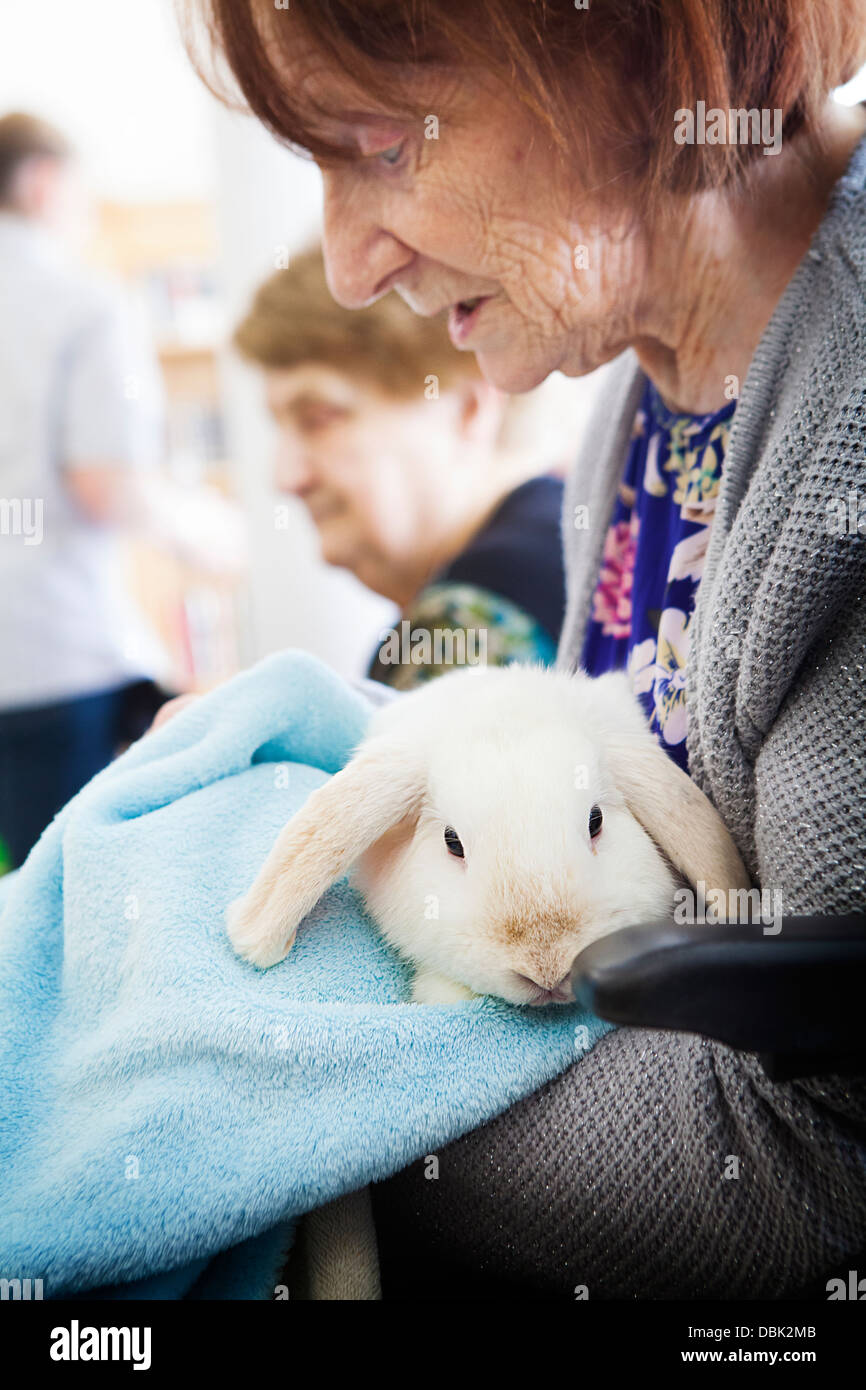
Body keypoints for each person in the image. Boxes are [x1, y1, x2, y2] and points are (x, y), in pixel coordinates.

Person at [185, 0, 866, 1297]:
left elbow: (818, 1153)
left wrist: (298, 1116)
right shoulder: (634, 391)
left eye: (378, 145)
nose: (347, 266)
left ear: (633, 50)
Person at [0, 113, 242, 868]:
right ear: (44, 183)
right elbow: (108, 484)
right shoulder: (77, 296)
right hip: (52, 662)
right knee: (62, 906)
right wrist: (212, 531)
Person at [232, 247, 568, 690]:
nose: (287, 477)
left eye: (318, 418)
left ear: (467, 408)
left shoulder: (466, 623)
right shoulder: (568, 538)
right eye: (281, 428)